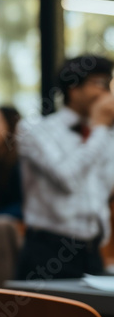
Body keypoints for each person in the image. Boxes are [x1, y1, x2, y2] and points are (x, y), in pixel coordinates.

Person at [16, 55, 114, 280]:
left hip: (92, 252)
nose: (106, 94)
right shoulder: (36, 130)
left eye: (108, 84)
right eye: (98, 83)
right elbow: (68, 178)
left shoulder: (105, 136)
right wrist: (99, 129)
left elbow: (106, 190)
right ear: (73, 88)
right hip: (47, 253)